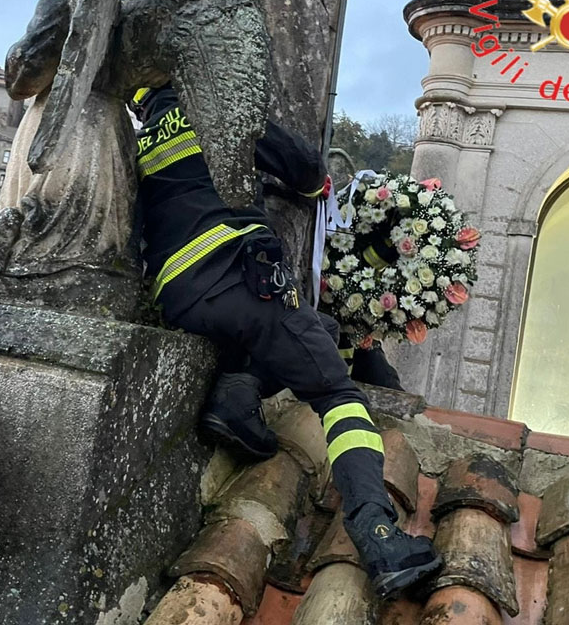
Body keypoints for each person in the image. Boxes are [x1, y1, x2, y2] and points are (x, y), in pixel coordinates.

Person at [131, 84, 441, 599]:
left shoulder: (142, 139)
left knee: (315, 332)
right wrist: (312, 181)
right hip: (239, 275)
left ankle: (236, 397)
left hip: (179, 296)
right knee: (339, 396)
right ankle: (380, 537)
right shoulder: (215, 102)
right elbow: (304, 168)